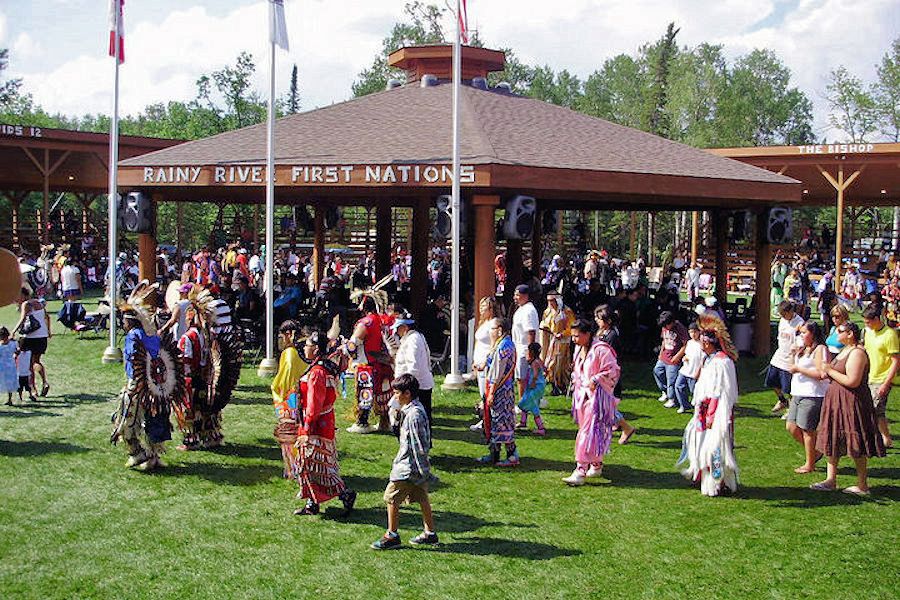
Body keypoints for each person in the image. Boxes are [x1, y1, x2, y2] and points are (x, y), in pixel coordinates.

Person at [110, 284, 181, 472]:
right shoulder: (153, 336)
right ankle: (154, 456)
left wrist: (134, 383)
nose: (123, 325)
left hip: (138, 384)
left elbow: (134, 361)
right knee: (154, 418)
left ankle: (137, 453)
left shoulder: (133, 336)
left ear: (130, 322)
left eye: (124, 321)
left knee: (127, 420)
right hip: (157, 384)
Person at [812, 322, 886, 495]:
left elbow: (852, 381)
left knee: (855, 440)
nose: (837, 334)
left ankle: (862, 485)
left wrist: (830, 370)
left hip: (851, 403)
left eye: (840, 331)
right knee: (832, 437)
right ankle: (830, 480)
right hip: (835, 401)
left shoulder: (857, 353)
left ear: (851, 333)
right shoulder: (845, 350)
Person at [293, 331, 357, 516]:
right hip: (320, 423)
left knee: (318, 465)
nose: (304, 348)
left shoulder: (317, 373)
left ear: (316, 349)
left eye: (307, 345)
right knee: (311, 464)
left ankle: (345, 494)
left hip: (316, 425)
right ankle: (312, 503)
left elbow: (314, 404)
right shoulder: (321, 367)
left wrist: (307, 428)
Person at [371, 374, 438, 550]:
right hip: (414, 466)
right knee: (422, 497)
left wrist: (423, 470)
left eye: (396, 393)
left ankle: (392, 535)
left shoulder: (414, 416)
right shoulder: (412, 409)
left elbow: (418, 445)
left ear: (407, 393)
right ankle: (430, 533)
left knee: (391, 497)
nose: (394, 396)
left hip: (408, 467)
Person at [677, 314, 740, 497]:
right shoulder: (708, 359)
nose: (700, 343)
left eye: (703, 340)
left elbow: (723, 392)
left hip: (717, 412)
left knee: (716, 447)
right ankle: (702, 476)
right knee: (700, 443)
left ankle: (718, 482)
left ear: (708, 343)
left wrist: (714, 415)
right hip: (703, 409)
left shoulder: (723, 362)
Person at [564, 319, 621, 486]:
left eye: (577, 336)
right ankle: (596, 464)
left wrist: (596, 379)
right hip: (582, 396)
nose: (574, 339)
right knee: (591, 431)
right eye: (573, 336)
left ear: (587, 334)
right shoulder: (579, 349)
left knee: (587, 432)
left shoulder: (601, 349)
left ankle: (580, 470)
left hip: (597, 398)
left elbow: (613, 370)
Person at [786, 321, 828, 474]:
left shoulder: (820, 349)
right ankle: (815, 452)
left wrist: (800, 369)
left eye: (804, 332)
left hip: (813, 394)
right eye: (800, 333)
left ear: (813, 333)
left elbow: (822, 374)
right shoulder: (803, 349)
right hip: (797, 392)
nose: (801, 335)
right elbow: (792, 368)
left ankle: (810, 464)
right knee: (791, 427)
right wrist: (793, 355)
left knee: (807, 429)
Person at [347, 296, 394, 433]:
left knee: (365, 393)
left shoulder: (366, 323)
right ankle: (384, 423)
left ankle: (362, 423)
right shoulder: (382, 320)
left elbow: (352, 344)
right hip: (383, 363)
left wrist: (348, 352)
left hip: (367, 365)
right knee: (383, 393)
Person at [480, 317, 519, 467]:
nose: (490, 332)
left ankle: (512, 455)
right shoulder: (500, 344)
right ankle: (494, 454)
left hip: (501, 390)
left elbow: (498, 372)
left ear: (500, 330)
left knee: (503, 421)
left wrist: (491, 392)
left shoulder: (504, 346)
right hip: (499, 388)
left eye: (492, 329)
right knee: (495, 420)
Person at [593, 305, 636, 444]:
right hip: (601, 372)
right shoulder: (602, 332)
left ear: (608, 320)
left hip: (608, 375)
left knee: (605, 404)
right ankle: (617, 424)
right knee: (605, 404)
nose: (596, 320)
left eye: (599, 318)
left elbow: (609, 358)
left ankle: (626, 427)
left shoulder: (612, 335)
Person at [271, 320, 306, 479]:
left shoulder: (289, 353)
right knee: (299, 433)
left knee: (289, 435)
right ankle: (300, 467)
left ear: (288, 335)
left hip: (289, 398)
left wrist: (277, 388)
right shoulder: (302, 350)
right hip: (302, 396)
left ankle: (292, 469)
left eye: (282, 335)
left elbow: (285, 377)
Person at [391, 313, 435, 434]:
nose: (396, 331)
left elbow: (413, 365)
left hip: (416, 387)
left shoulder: (413, 340)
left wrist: (406, 387)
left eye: (398, 328)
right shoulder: (414, 337)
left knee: (418, 417)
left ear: (405, 327)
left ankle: (419, 440)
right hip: (415, 385)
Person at [861, 303, 897, 449]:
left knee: (873, 410)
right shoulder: (868, 332)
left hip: (882, 378)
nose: (867, 325)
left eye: (868, 322)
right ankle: (886, 439)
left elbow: (896, 361)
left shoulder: (890, 335)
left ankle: (872, 439)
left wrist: (886, 383)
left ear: (877, 319)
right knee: (877, 411)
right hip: (869, 377)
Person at [767, 301, 804, 415]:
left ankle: (791, 410)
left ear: (790, 311)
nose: (782, 316)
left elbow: (800, 341)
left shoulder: (799, 323)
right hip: (779, 355)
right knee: (771, 380)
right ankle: (782, 401)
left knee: (788, 387)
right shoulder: (782, 320)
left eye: (784, 314)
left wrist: (796, 353)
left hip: (790, 358)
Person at [13, 287, 51, 397]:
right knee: (37, 361)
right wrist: (48, 331)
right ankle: (45, 382)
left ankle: (33, 389)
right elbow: (47, 317)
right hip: (42, 336)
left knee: (29, 364)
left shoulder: (26, 304)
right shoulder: (39, 303)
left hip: (29, 337)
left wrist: (13, 332)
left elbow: (22, 319)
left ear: (24, 295)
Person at [540, 291, 575, 396]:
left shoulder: (566, 312)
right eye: (548, 301)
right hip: (550, 340)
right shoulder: (547, 312)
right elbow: (544, 323)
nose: (550, 303)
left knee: (558, 365)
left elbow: (571, 327)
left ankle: (561, 385)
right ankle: (554, 385)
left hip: (562, 342)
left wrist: (562, 333)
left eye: (552, 300)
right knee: (549, 363)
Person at [653, 311, 688, 409]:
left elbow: (686, 344)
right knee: (657, 371)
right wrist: (661, 353)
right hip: (664, 356)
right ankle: (665, 391)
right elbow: (664, 340)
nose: (665, 327)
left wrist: (677, 357)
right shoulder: (664, 326)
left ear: (672, 322)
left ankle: (672, 399)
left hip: (673, 359)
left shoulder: (680, 328)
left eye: (667, 325)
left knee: (671, 379)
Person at [511, 284, 540, 401]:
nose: (515, 297)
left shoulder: (529, 311)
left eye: (518, 295)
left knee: (522, 377)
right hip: (518, 346)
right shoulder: (521, 309)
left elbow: (531, 331)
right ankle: (524, 400)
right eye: (515, 294)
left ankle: (523, 402)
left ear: (526, 296)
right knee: (519, 376)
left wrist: (530, 350)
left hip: (525, 348)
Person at [517, 342, 547, 435]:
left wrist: (533, 382)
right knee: (526, 402)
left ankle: (541, 428)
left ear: (532, 352)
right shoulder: (539, 360)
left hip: (534, 386)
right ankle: (523, 422)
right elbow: (545, 370)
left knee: (531, 404)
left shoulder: (534, 363)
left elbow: (535, 374)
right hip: (539, 386)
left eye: (528, 351)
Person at [674, 322, 703, 414]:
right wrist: (684, 358)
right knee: (678, 386)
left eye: (695, 332)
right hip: (685, 370)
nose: (693, 334)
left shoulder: (702, 344)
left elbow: (703, 358)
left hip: (694, 372)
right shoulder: (689, 343)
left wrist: (699, 371)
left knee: (694, 391)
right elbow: (687, 354)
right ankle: (684, 405)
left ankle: (699, 407)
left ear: (699, 332)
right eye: (691, 332)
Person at [0, 327, 16, 405]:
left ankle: (9, 399)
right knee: (9, 382)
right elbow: (17, 351)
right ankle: (10, 399)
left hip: (2, 365)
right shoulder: (13, 343)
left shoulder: (0, 345)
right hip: (11, 365)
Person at [15, 338, 34, 403]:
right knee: (28, 386)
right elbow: (31, 362)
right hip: (27, 372)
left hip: (19, 373)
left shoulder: (18, 353)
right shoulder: (29, 352)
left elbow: (14, 358)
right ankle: (30, 395)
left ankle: (20, 397)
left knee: (19, 387)